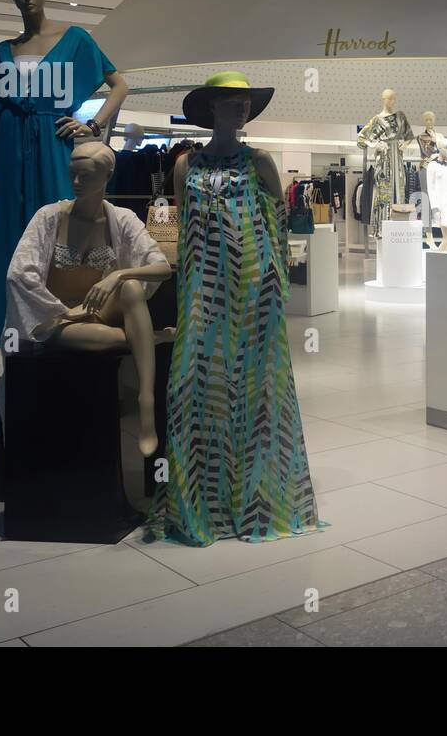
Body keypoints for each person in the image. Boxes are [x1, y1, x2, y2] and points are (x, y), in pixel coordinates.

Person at [146, 72, 325, 547]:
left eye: (245, 102)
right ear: (212, 110)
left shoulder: (260, 161)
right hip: (203, 289)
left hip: (253, 288)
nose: (241, 110)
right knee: (195, 384)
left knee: (257, 388)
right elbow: (186, 231)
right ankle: (201, 502)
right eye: (231, 103)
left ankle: (260, 501)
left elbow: (278, 224)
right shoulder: (187, 165)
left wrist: (274, 286)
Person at [0, 0, 129, 348]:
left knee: (60, 231)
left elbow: (119, 84)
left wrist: (93, 125)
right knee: (11, 236)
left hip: (52, 143)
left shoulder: (75, 40)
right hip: (11, 149)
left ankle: (65, 319)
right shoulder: (2, 51)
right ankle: (11, 328)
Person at [5, 143, 172, 457]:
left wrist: (117, 276)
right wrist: (62, 313)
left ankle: (146, 402)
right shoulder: (49, 217)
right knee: (95, 336)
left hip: (101, 310)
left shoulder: (120, 218)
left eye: (86, 174)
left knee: (132, 287)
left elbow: (161, 267)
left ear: (108, 174)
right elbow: (18, 274)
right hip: (59, 318)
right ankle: (145, 339)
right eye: (73, 174)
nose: (77, 182)